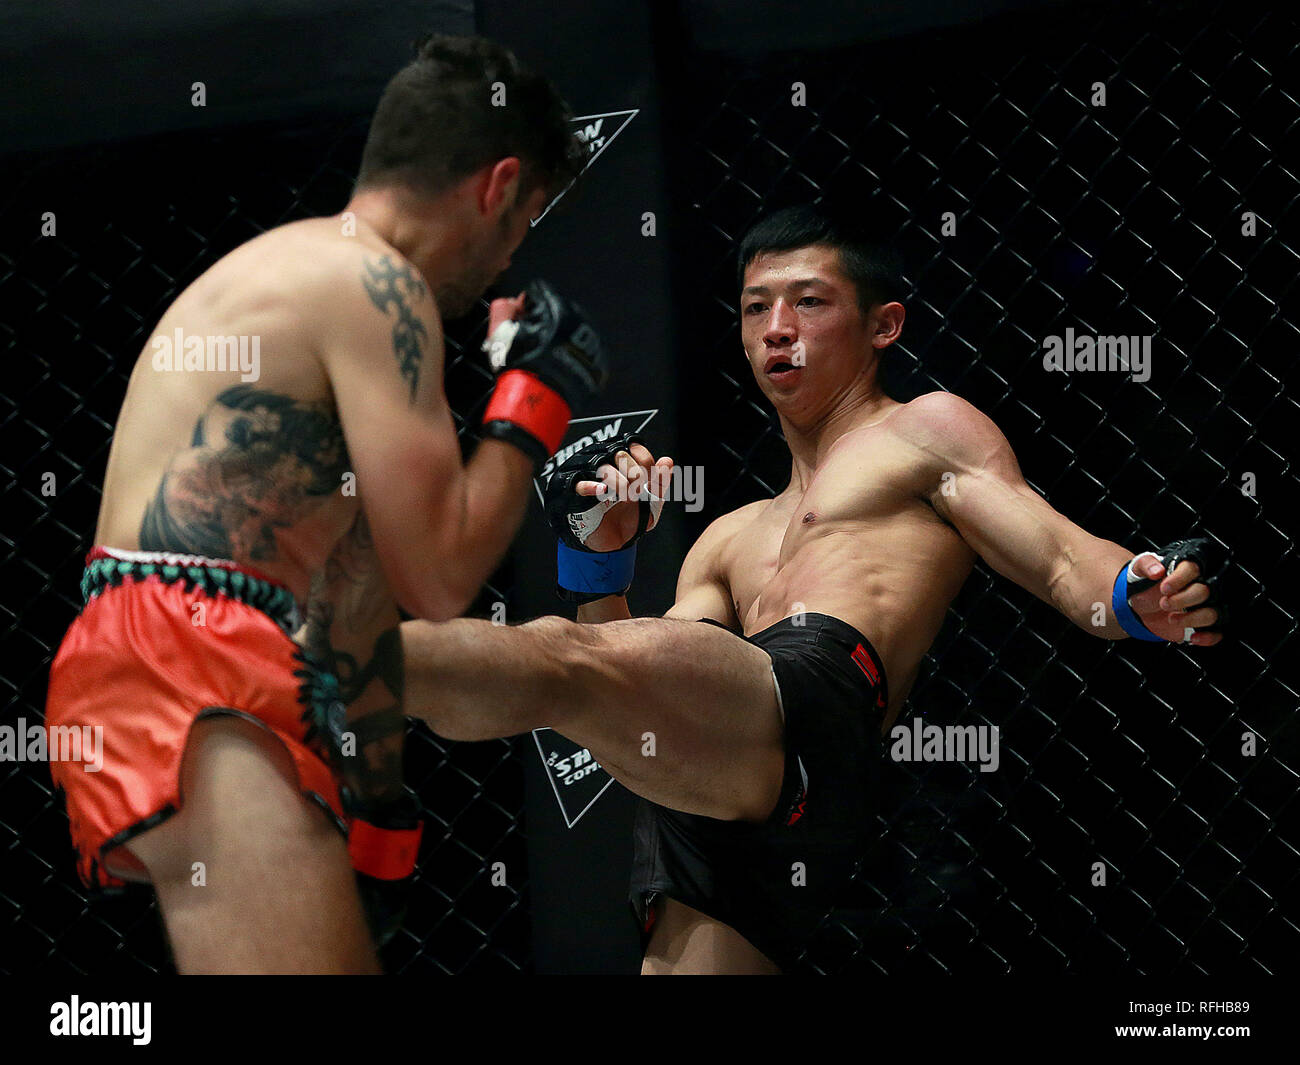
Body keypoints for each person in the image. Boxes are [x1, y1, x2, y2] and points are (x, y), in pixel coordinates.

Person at [392, 202, 1226, 974]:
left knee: (554, 659)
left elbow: (1055, 558)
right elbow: (627, 706)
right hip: (729, 774)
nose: (777, 330)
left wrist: (1130, 592)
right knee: (573, 671)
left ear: (883, 324)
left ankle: (340, 661)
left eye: (809, 303)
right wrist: (600, 564)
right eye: (756, 308)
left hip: (818, 700)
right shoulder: (728, 535)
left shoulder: (921, 429)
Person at [43, 33, 606, 974]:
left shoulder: (325, 290)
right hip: (190, 655)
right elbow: (441, 573)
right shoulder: (373, 283)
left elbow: (360, 597)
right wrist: (539, 393)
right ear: (498, 186)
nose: (510, 260)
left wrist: (379, 818)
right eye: (524, 224)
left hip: (190, 649)